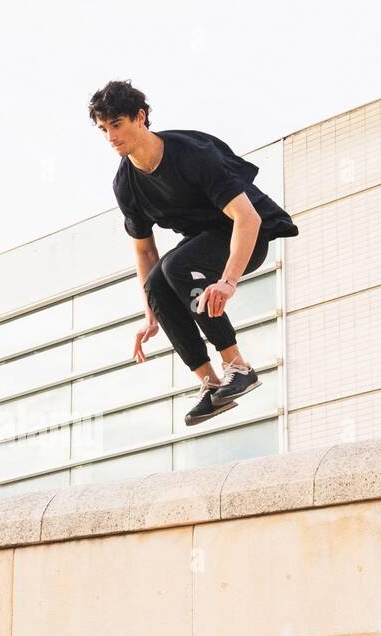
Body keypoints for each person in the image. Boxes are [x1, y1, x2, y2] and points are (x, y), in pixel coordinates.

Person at [89, 79, 299, 425]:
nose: (111, 137)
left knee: (177, 267)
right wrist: (151, 312)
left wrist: (228, 282)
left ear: (140, 117)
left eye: (117, 124)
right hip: (204, 242)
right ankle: (210, 385)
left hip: (246, 237)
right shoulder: (125, 184)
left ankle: (238, 366)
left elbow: (247, 217)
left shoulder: (192, 154)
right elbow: (144, 252)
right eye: (104, 129)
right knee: (157, 285)